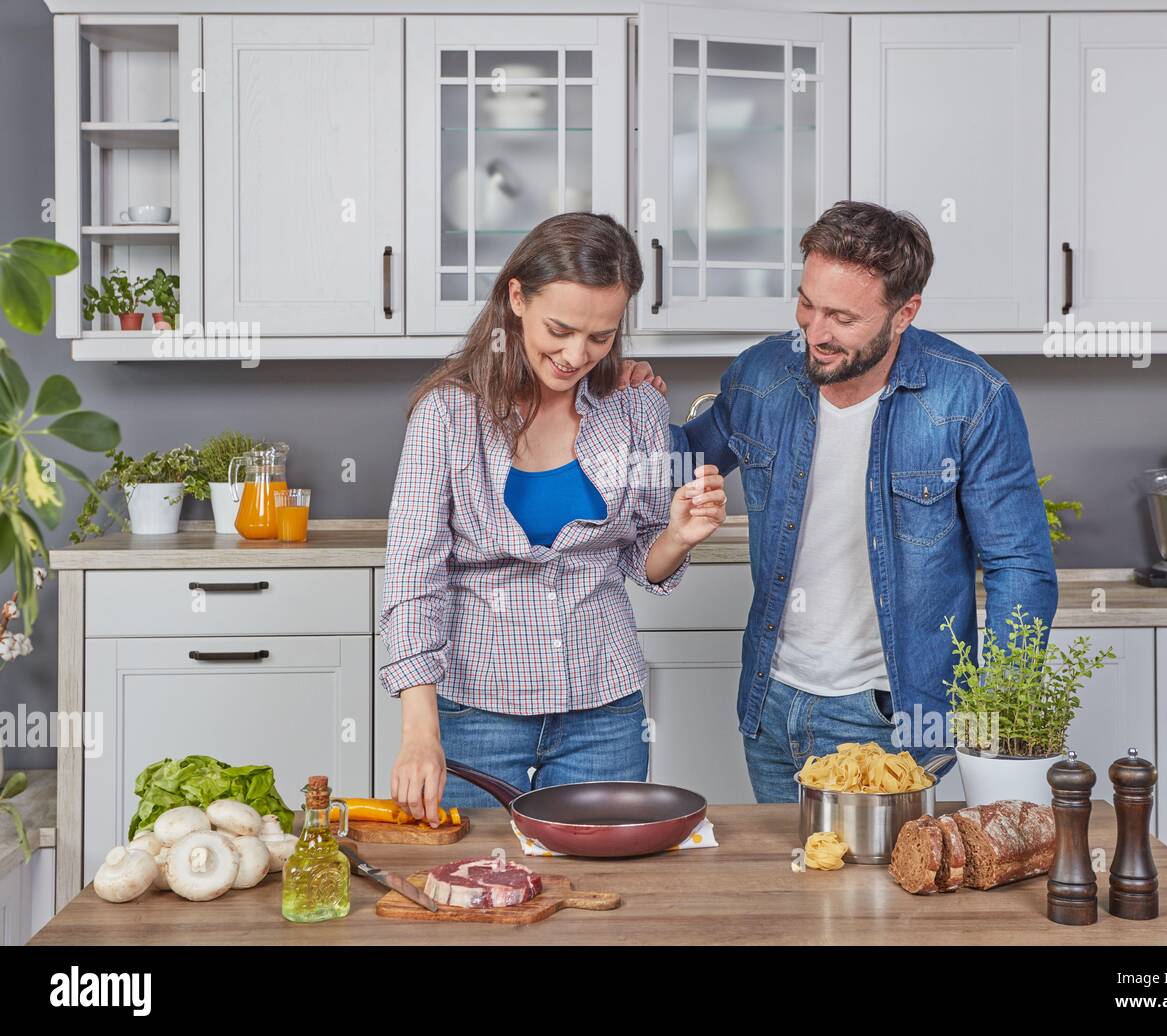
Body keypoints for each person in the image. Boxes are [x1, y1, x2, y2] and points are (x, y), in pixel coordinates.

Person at [664, 201, 1059, 802]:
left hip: (891, 716)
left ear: (904, 314)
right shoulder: (761, 376)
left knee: (884, 894)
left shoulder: (970, 399)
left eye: (843, 318)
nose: (815, 334)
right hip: (772, 705)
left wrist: (996, 713)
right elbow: (675, 465)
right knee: (794, 885)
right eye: (807, 303)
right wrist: (619, 395)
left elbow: (1020, 568)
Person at [381, 212, 727, 819]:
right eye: (560, 329)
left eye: (600, 338)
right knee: (471, 890)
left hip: (605, 711)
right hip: (476, 711)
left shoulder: (635, 405)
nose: (576, 355)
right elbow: (413, 579)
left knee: (600, 901)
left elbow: (644, 558)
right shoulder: (446, 417)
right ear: (516, 296)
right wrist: (418, 730)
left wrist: (677, 534)